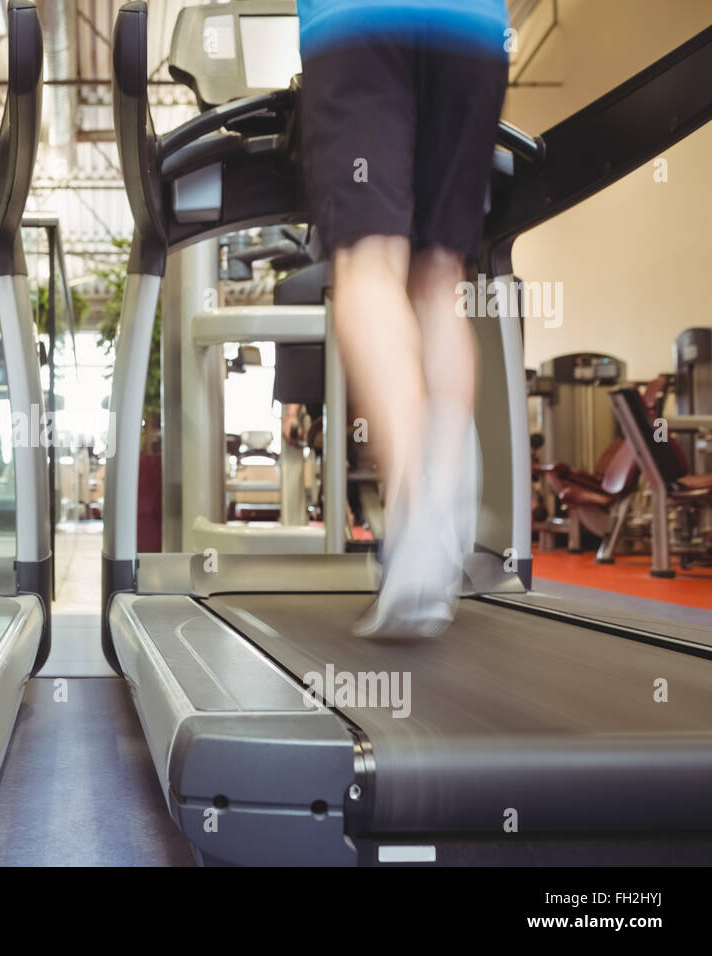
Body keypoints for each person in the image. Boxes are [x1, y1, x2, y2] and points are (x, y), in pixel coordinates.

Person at [296, 0, 510, 636]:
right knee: (442, 279)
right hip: (472, 28)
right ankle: (439, 512)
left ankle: (416, 519)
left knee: (368, 263)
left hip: (358, 20)